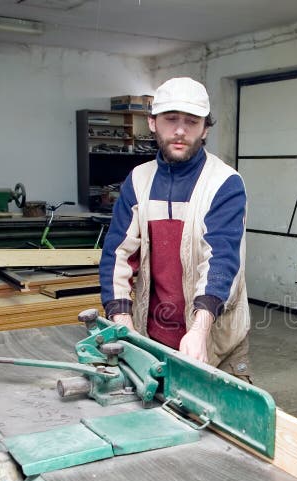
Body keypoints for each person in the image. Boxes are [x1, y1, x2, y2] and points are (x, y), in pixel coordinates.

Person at [99, 77, 251, 381]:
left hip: (214, 340)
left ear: (205, 128)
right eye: (171, 119)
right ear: (153, 123)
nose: (180, 130)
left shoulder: (224, 183)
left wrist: (199, 330)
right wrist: (123, 321)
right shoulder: (138, 181)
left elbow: (221, 261)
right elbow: (117, 255)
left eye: (191, 122)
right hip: (151, 336)